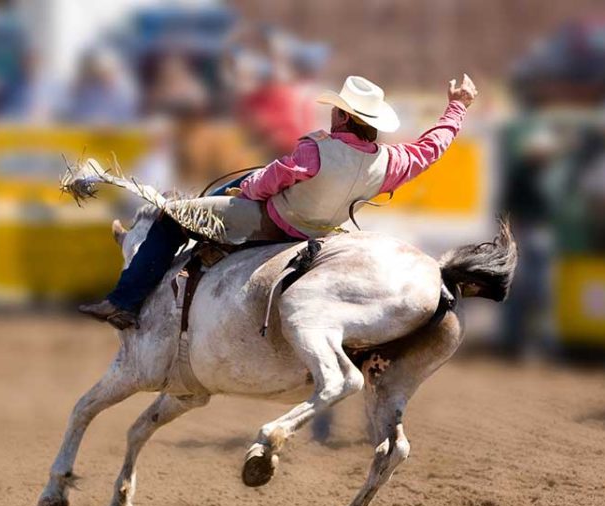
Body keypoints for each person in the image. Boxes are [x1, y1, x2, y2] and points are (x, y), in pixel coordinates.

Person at [80, 74, 478, 329]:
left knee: (173, 217)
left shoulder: (316, 149)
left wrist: (246, 190)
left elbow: (272, 179)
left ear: (343, 116)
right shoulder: (392, 162)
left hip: (273, 221)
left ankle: (125, 301)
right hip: (324, 233)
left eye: (337, 110)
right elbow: (433, 147)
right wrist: (457, 107)